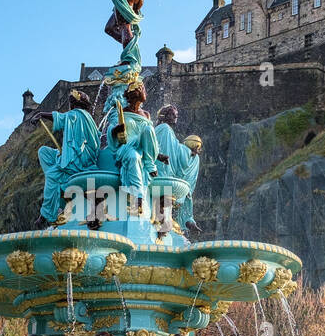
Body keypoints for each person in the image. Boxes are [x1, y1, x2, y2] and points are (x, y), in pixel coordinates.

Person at [34, 90, 99, 228]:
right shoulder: (87, 117)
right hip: (75, 154)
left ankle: (47, 215)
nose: (69, 104)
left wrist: (42, 114)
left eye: (71, 102)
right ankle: (59, 182)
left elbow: (61, 118)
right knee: (44, 152)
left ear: (74, 103)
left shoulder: (77, 114)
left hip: (80, 160)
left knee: (52, 175)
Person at [105, 82, 158, 217]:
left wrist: (160, 155)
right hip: (127, 147)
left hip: (143, 148)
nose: (144, 93)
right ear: (133, 96)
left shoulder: (146, 114)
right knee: (133, 157)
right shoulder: (121, 112)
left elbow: (151, 138)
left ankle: (149, 163)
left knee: (148, 129)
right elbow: (110, 129)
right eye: (142, 91)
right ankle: (138, 199)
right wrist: (117, 129)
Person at [152, 105, 201, 232]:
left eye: (176, 115)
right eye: (173, 114)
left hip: (165, 172)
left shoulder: (168, 131)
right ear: (165, 115)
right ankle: (183, 220)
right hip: (162, 171)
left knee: (185, 191)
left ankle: (186, 220)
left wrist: (191, 152)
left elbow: (176, 148)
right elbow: (169, 150)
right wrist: (190, 152)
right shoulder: (164, 129)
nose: (176, 117)